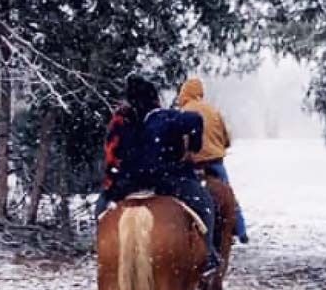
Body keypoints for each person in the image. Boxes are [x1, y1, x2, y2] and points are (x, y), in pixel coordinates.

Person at [97, 74, 220, 275]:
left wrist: (114, 184)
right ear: (155, 99)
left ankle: (102, 250)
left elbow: (112, 153)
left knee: (102, 209)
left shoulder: (121, 121)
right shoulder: (164, 117)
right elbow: (195, 119)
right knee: (204, 202)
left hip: (128, 184)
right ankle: (208, 255)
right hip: (167, 181)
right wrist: (195, 145)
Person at [177, 77, 249, 243]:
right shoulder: (214, 111)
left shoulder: (182, 113)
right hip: (215, 164)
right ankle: (240, 230)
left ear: (184, 93)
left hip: (193, 165)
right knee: (229, 194)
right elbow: (227, 139)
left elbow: (180, 142)